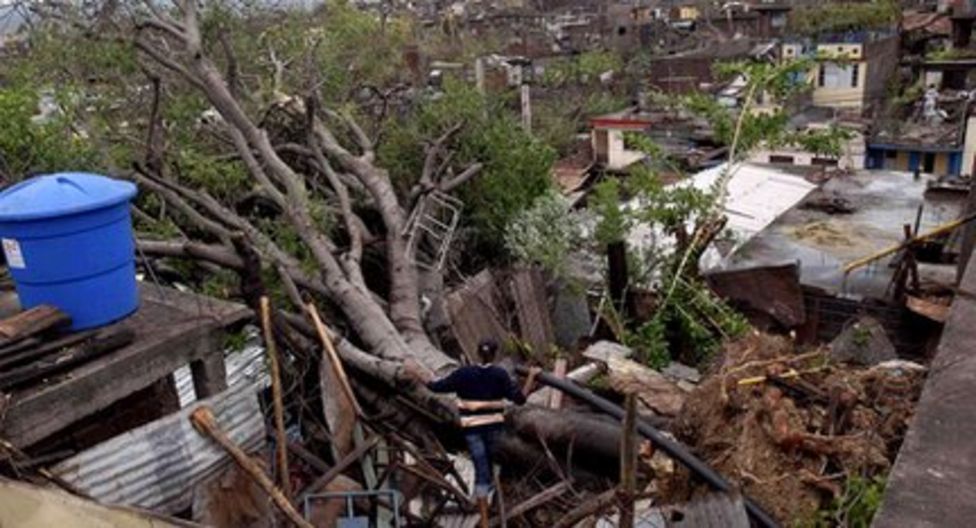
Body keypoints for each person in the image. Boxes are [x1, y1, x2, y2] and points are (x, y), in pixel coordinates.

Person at [411, 338, 539, 524]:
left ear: (478, 353)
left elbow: (436, 387)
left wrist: (417, 373)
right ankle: (490, 503)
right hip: (494, 430)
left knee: (481, 471)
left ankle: (485, 519)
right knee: (493, 466)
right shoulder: (499, 375)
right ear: (495, 354)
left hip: (472, 431)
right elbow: (520, 399)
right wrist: (531, 377)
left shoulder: (464, 373)